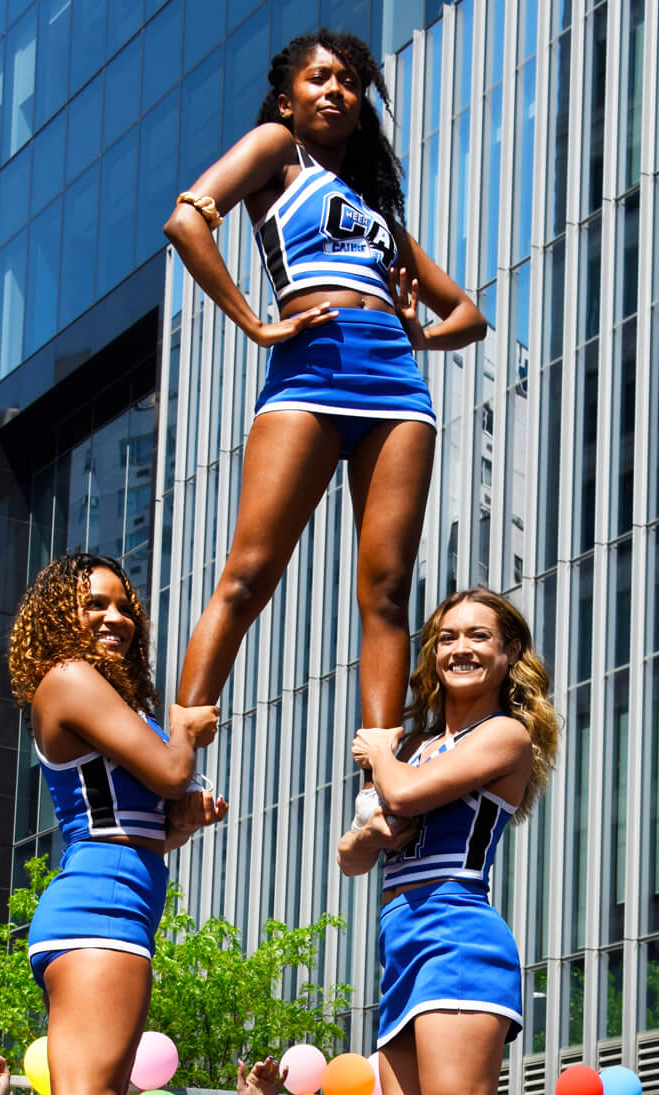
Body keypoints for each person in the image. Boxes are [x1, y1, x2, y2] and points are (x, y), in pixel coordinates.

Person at [165, 32, 484, 733]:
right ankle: (179, 757)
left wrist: (420, 333)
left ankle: (379, 776)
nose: (336, 89)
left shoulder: (380, 219)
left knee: (388, 590)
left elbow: (470, 315)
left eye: (348, 81)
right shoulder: (278, 153)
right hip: (307, 376)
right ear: (286, 99)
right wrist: (253, 322)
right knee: (249, 574)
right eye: (319, 78)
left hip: (398, 392)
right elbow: (188, 222)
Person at [8, 550, 223, 1095]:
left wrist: (185, 819)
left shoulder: (104, 699)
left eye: (123, 605)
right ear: (54, 617)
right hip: (99, 911)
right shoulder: (68, 680)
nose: (116, 617)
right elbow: (166, 770)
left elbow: (147, 819)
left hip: (113, 905)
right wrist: (186, 731)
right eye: (95, 604)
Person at [340, 589, 558, 1095]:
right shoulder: (417, 745)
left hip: (459, 937)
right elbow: (352, 857)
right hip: (400, 944)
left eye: (478, 637)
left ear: (508, 653)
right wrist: (368, 829)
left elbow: (402, 795)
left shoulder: (504, 734)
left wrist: (380, 758)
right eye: (447, 637)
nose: (461, 648)